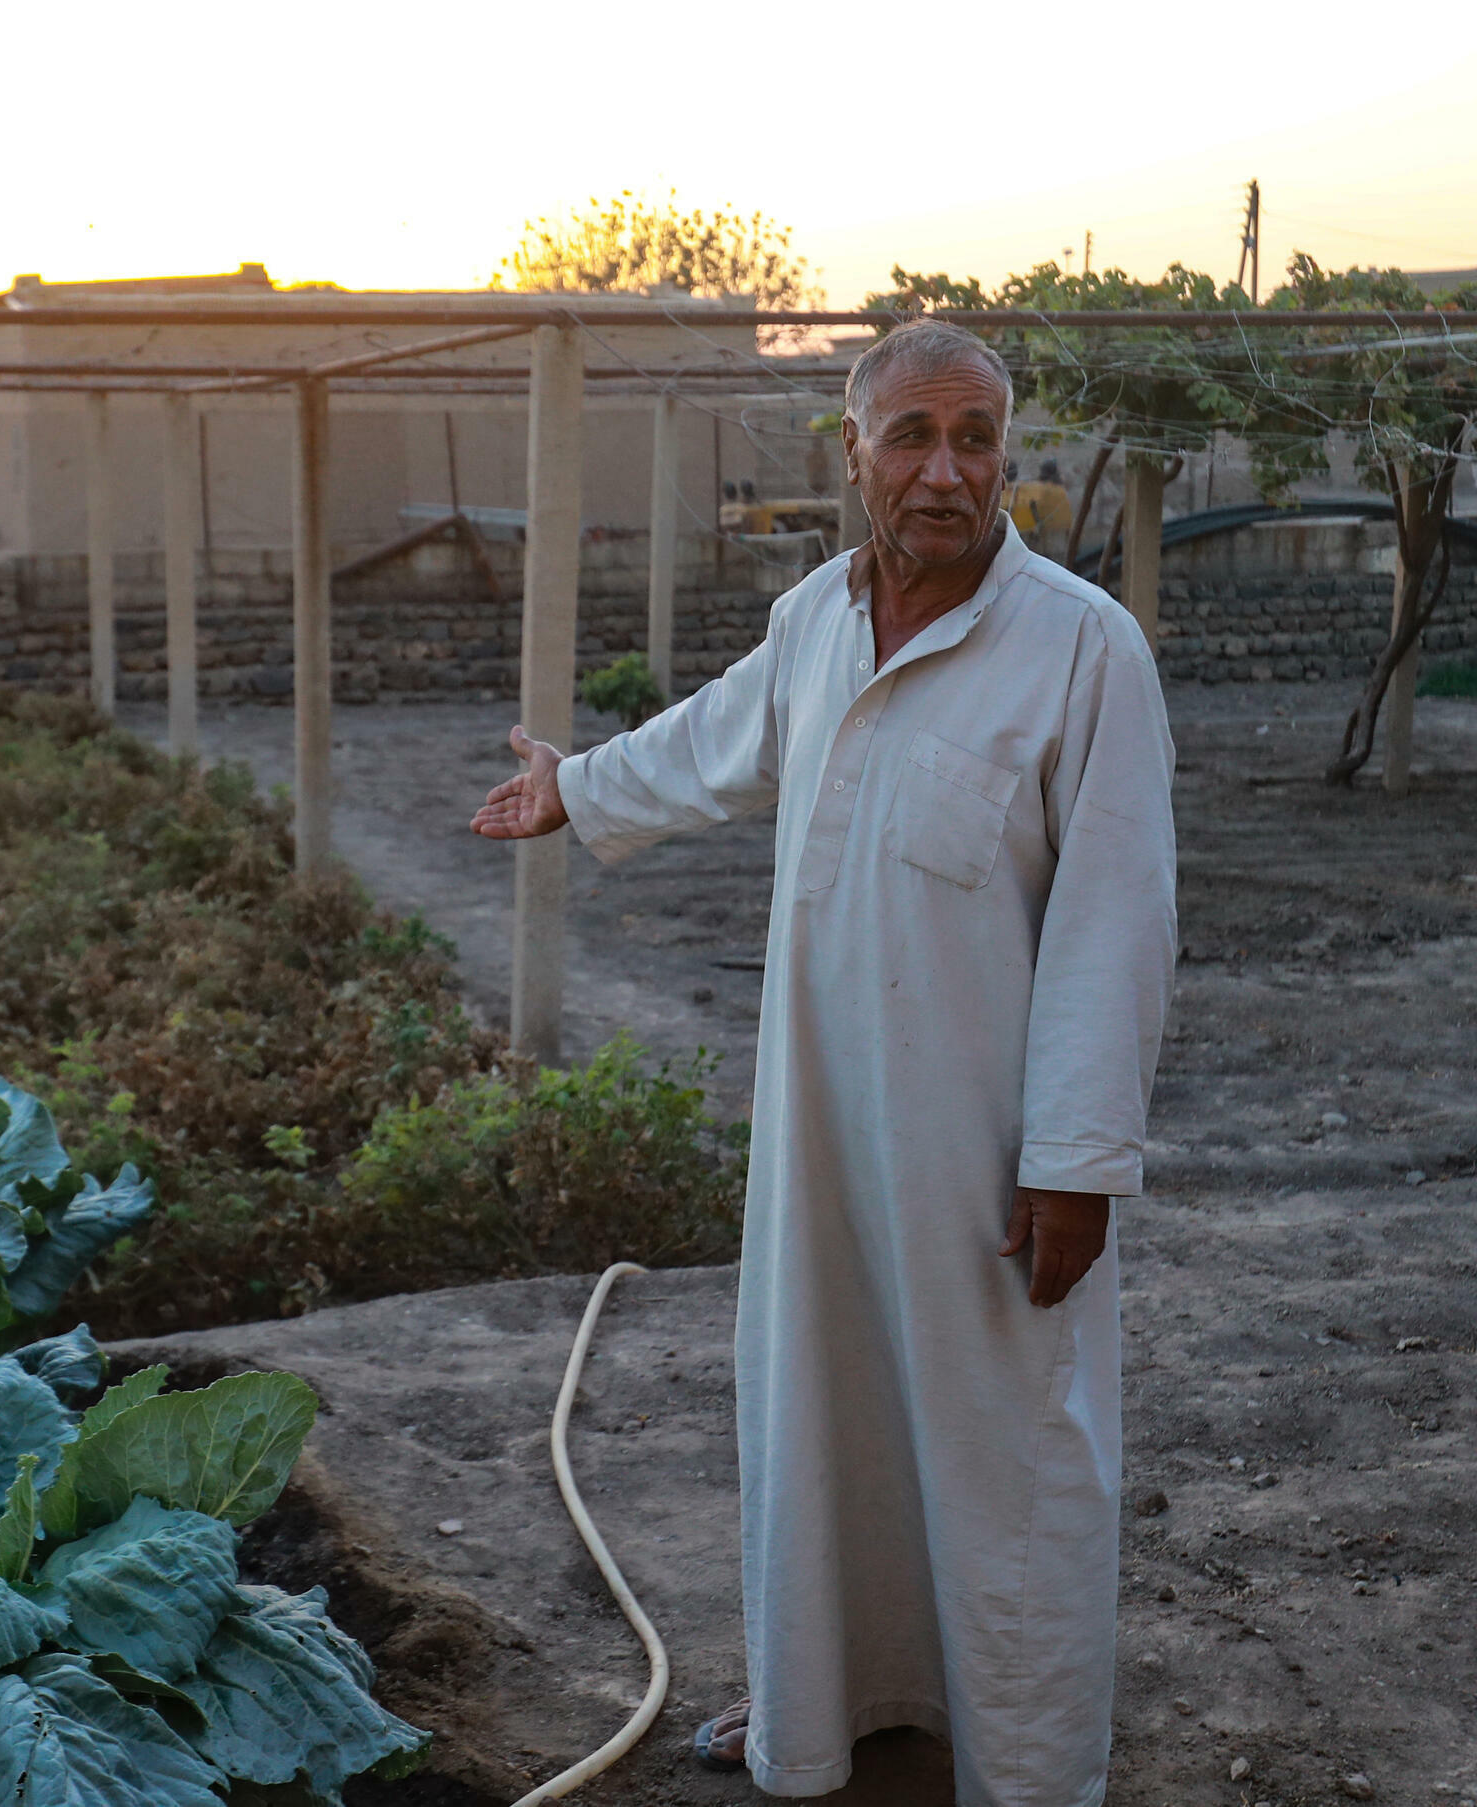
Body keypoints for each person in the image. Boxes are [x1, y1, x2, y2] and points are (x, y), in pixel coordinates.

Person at [471, 318, 1175, 1805]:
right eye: (910, 438)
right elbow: (717, 740)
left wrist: (1076, 1164)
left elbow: (1118, 925)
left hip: (985, 1156)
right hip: (818, 1142)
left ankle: (1027, 1766)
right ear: (850, 452)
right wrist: (575, 788)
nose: (944, 472)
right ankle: (831, 1711)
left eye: (974, 439)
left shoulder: (1082, 650)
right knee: (823, 1418)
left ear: (1007, 462)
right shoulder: (814, 620)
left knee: (1008, 1454)